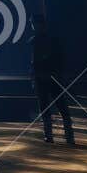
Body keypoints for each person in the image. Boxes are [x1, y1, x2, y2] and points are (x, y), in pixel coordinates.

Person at [30, 14, 76, 145]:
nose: (33, 26)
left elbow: (37, 62)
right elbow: (35, 62)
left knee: (56, 107)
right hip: (48, 77)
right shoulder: (39, 40)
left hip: (49, 77)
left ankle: (61, 135)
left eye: (34, 24)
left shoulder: (43, 40)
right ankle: (65, 136)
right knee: (54, 107)